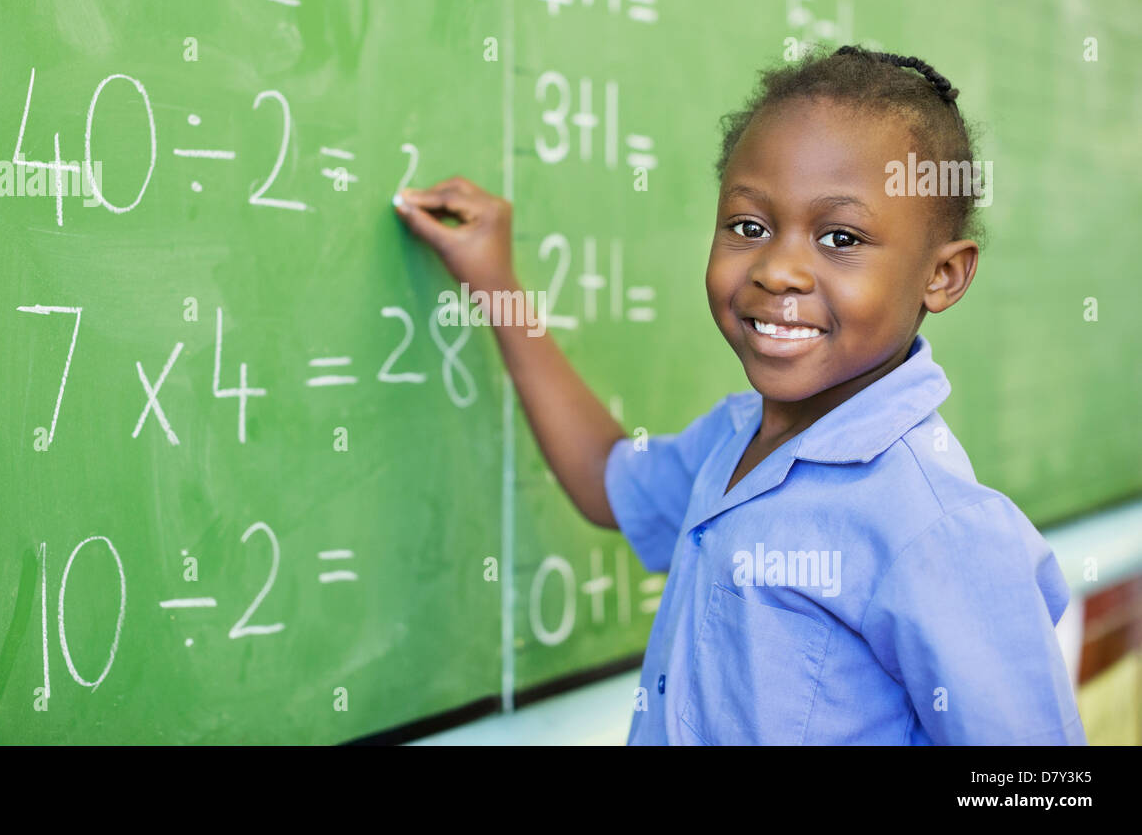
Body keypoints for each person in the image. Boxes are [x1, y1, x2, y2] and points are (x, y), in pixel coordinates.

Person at [393, 45, 1085, 745]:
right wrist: (495, 282)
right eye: (749, 227)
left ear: (943, 277)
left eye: (840, 237)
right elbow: (608, 479)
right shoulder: (735, 442)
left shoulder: (939, 531)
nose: (778, 269)